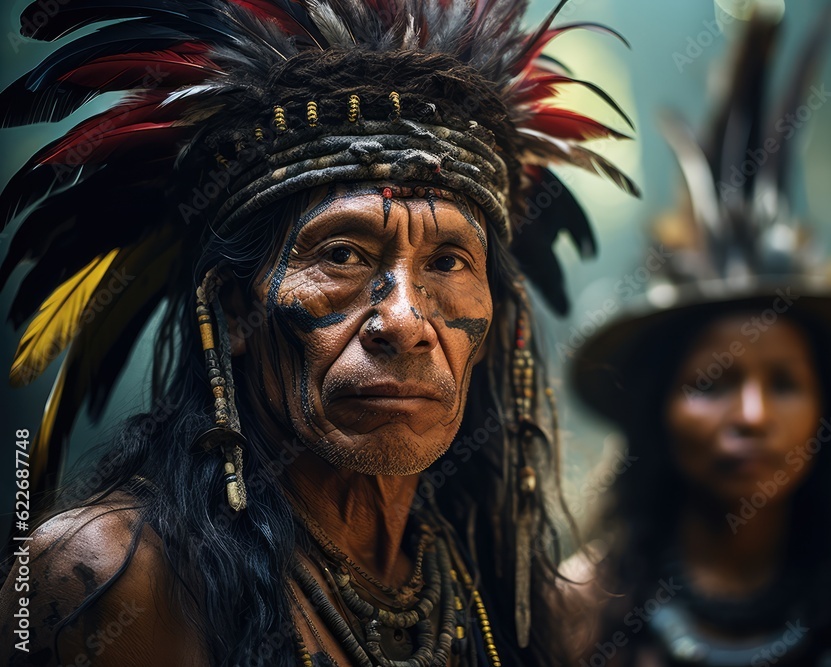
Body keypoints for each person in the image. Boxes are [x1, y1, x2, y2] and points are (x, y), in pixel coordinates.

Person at [0, 1, 638, 665]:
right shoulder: (103, 581)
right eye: (342, 254)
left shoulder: (508, 597)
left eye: (447, 262)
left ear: (499, 325)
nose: (403, 321)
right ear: (233, 314)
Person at [568, 7, 831, 666]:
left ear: (826, 405)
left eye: (786, 383)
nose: (752, 415)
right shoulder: (583, 603)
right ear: (658, 404)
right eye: (713, 383)